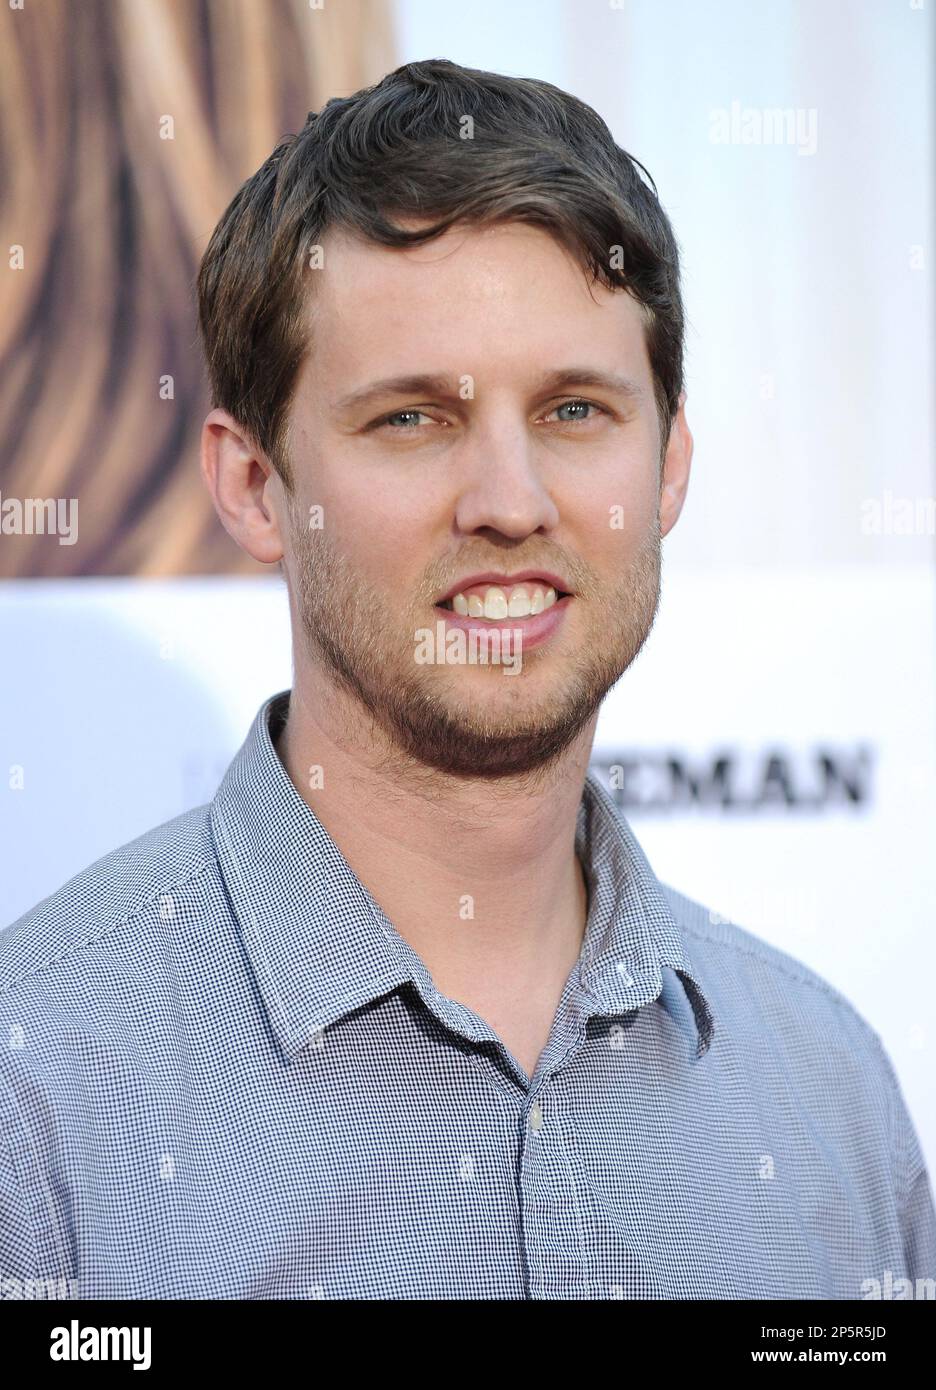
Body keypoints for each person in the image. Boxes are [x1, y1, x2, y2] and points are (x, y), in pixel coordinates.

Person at [1, 58, 933, 1301]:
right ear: (252, 486)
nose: (509, 503)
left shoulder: (829, 1091)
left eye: (575, 411)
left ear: (668, 469)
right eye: (413, 419)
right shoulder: (38, 1094)